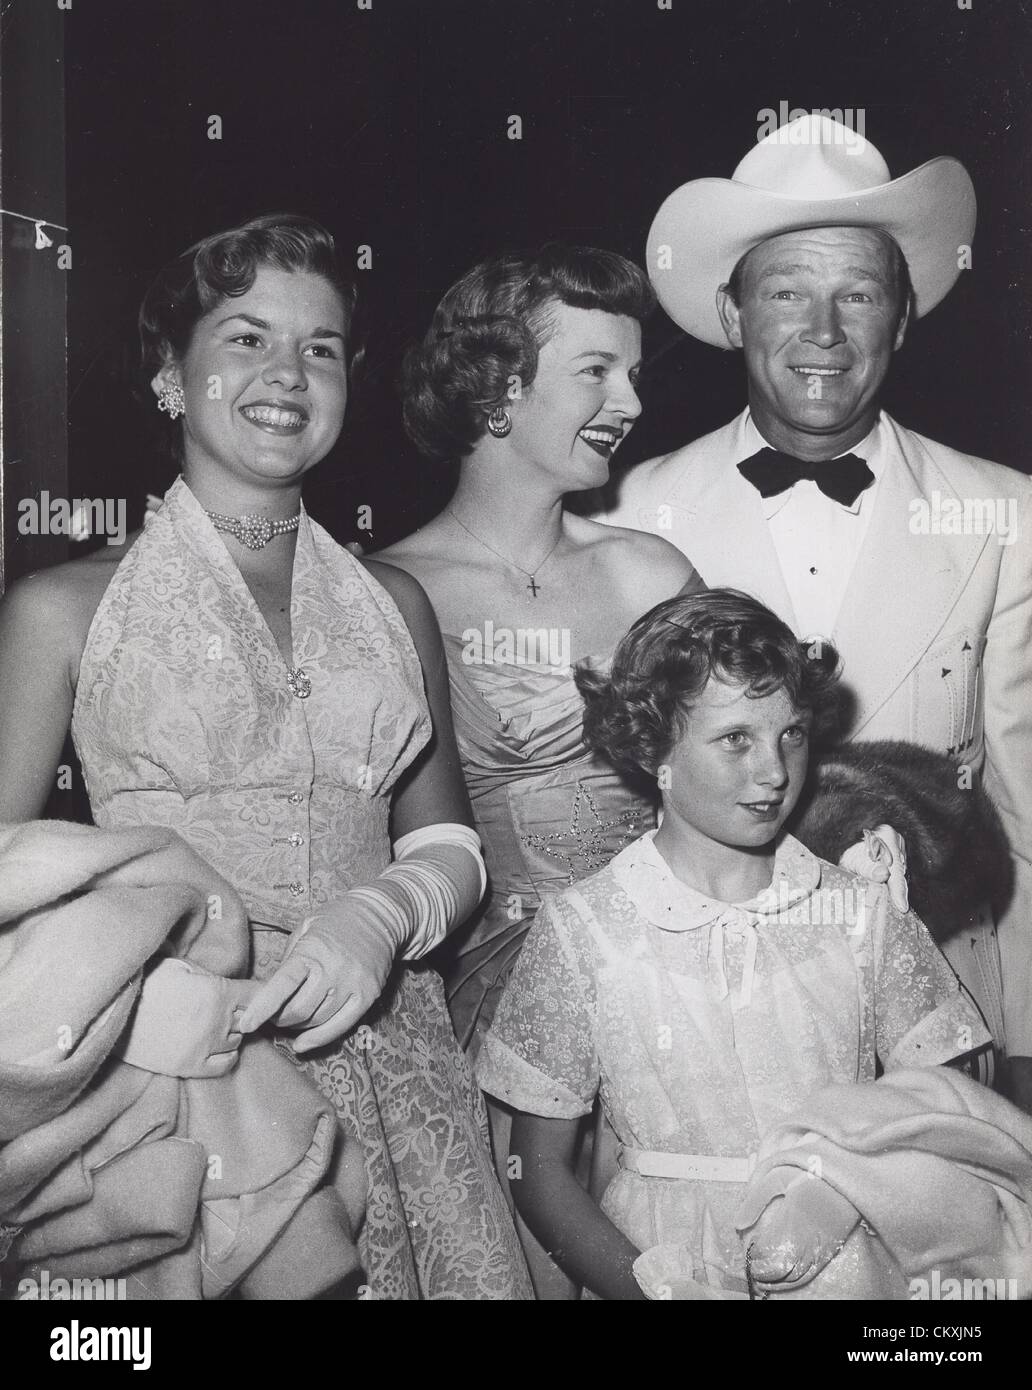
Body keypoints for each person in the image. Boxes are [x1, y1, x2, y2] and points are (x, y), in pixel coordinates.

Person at [0, 213, 531, 1301]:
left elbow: (450, 845)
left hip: (403, 1082)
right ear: (169, 377)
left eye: (321, 347)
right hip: (181, 1098)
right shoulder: (62, 608)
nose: (287, 374)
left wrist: (383, 917)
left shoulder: (395, 601)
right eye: (245, 338)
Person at [594, 115, 1032, 1106]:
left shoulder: (1010, 513)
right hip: (697, 1029)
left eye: (859, 294)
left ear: (904, 317)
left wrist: (1027, 1047)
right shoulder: (624, 517)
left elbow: (1027, 805)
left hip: (938, 1030)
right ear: (732, 312)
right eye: (788, 292)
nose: (823, 333)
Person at [475, 589, 993, 1300]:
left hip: (852, 1265)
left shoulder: (858, 915)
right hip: (659, 1264)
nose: (774, 772)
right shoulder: (584, 930)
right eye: (735, 739)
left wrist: (845, 1186)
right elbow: (537, 1173)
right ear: (655, 749)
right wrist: (648, 1291)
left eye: (792, 734)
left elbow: (953, 1104)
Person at [376, 243, 702, 1296]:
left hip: (675, 997)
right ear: (498, 386)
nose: (632, 401)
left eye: (638, 374)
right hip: (482, 1016)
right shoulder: (382, 589)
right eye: (598, 370)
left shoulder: (650, 571)